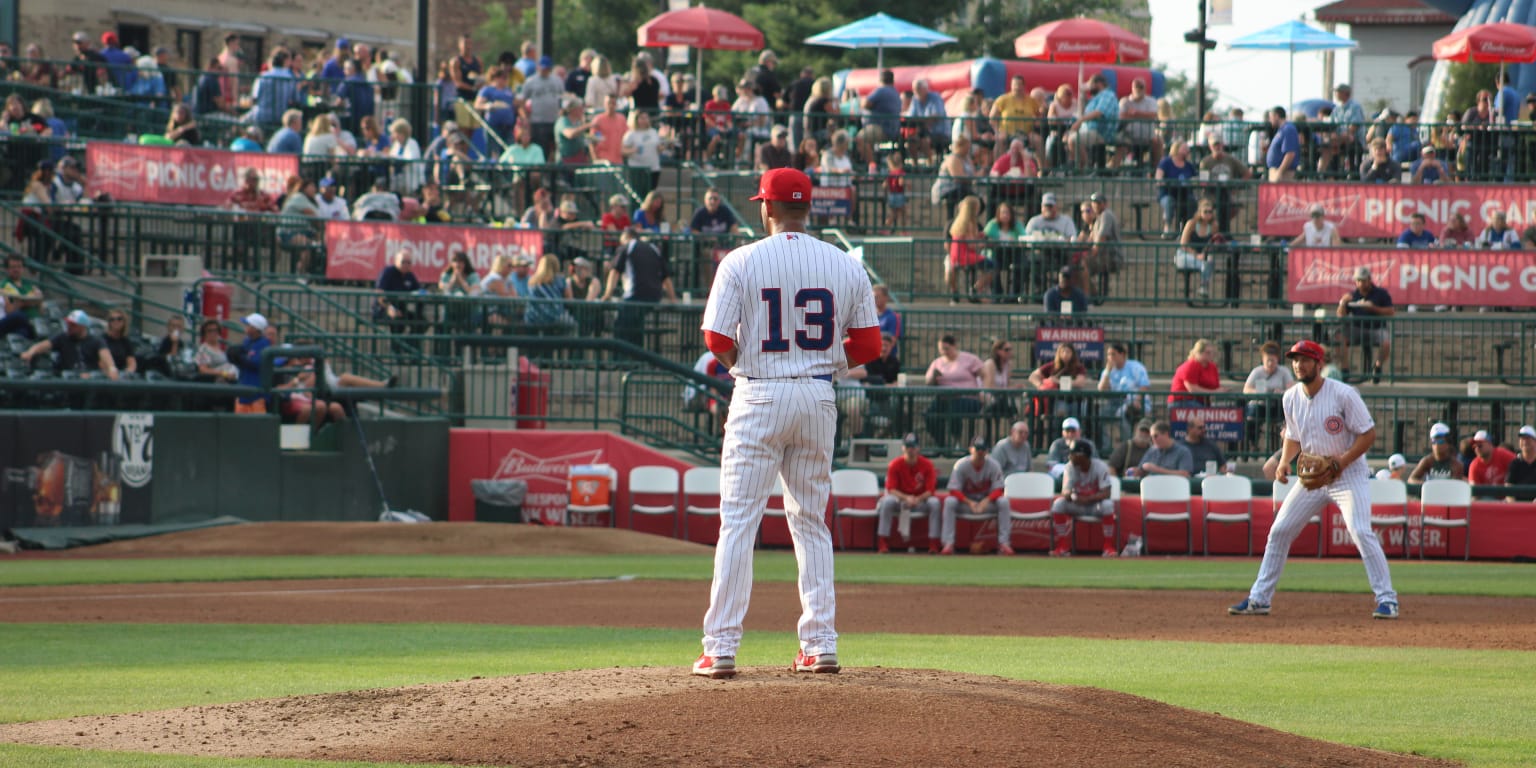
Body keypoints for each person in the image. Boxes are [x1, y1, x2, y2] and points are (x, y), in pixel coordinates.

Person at [693, 167, 880, 680]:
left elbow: (715, 339)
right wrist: (827, 365)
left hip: (758, 392)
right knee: (811, 522)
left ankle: (720, 646)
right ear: (808, 207)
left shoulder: (740, 260)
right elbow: (869, 345)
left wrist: (743, 364)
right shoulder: (844, 263)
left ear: (767, 207)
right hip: (817, 395)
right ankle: (820, 644)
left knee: (739, 522)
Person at [1229, 339, 1399, 620]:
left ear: (1319, 364)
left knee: (1360, 531)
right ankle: (1259, 599)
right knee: (1279, 531)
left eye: (1305, 359)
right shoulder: (1290, 397)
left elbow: (1368, 434)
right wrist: (1284, 462)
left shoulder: (1344, 394)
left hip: (1348, 475)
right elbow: (1293, 437)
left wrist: (1342, 461)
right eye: (1295, 360)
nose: (1299, 364)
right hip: (1312, 476)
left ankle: (1387, 599)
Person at [602, 228, 676, 348]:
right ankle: (637, 355)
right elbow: (666, 278)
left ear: (627, 237)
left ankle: (620, 356)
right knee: (636, 326)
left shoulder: (627, 247)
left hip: (634, 295)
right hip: (654, 298)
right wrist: (673, 300)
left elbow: (615, 271)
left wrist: (607, 294)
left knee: (621, 327)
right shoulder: (653, 248)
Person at [939, 438, 1013, 556]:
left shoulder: (993, 465)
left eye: (983, 449)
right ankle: (948, 543)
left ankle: (1004, 544)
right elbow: (953, 490)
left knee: (1003, 502)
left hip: (986, 504)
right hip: (966, 504)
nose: (980, 452)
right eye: (977, 449)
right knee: (949, 501)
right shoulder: (961, 465)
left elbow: (999, 489)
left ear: (987, 451)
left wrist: (987, 500)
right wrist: (969, 502)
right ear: (971, 449)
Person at [1048, 442, 1117, 558]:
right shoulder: (1070, 466)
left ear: (1083, 456)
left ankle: (1108, 547)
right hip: (1077, 504)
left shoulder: (1100, 466)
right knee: (1058, 504)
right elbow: (1065, 491)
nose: (1070, 457)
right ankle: (1062, 546)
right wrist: (1070, 495)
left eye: (1073, 454)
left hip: (1095, 505)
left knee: (1108, 505)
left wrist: (1088, 498)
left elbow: (1107, 493)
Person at [875, 433, 941, 553]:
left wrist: (917, 499)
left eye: (913, 446)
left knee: (935, 503)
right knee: (887, 502)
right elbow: (891, 489)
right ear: (903, 448)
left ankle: (933, 544)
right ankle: (883, 542)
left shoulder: (927, 464)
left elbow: (930, 490)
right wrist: (906, 498)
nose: (910, 449)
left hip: (920, 501)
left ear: (918, 448)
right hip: (901, 501)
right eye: (908, 446)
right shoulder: (895, 464)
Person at [1334, 266, 1393, 383]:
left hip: (1377, 328)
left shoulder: (1381, 293)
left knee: (1386, 342)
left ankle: (1377, 367)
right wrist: (1343, 302)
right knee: (1339, 337)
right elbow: (1341, 316)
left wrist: (1373, 308)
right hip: (1357, 328)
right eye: (1358, 280)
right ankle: (1345, 370)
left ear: (1369, 280)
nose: (1360, 283)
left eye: (1363, 280)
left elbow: (1391, 312)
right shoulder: (1352, 295)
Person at [923, 334, 983, 448]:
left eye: (946, 349)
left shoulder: (970, 359)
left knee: (954, 409)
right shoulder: (937, 363)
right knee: (929, 414)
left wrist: (983, 393)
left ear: (954, 346)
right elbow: (928, 383)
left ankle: (957, 441)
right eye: (941, 349)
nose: (944, 352)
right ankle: (940, 444)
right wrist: (934, 376)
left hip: (968, 399)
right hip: (944, 399)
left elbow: (984, 375)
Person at [20, 309, 113, 378]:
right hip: (67, 378)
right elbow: (43, 345)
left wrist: (111, 368)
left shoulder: (96, 341)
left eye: (73, 325)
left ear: (82, 327)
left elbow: (106, 356)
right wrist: (30, 352)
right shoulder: (63, 337)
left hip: (89, 379)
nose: (69, 327)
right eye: (68, 324)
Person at [1098, 341, 1151, 448]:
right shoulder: (1108, 370)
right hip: (1115, 402)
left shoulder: (1135, 367)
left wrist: (1137, 400)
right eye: (1108, 354)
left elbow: (1144, 385)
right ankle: (1106, 446)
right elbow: (1101, 389)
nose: (1110, 357)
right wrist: (1108, 371)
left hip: (1135, 402)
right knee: (1099, 416)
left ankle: (1128, 446)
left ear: (1122, 354)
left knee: (1120, 414)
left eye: (1113, 354)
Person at [1174, 198, 1225, 298]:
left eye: (1210, 212)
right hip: (1185, 255)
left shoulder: (1213, 226)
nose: (1208, 214)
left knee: (1208, 261)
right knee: (1205, 263)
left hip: (1202, 256)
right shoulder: (1191, 224)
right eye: (1205, 211)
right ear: (1200, 212)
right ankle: (1203, 286)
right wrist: (1196, 255)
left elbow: (1213, 242)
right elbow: (1183, 244)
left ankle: (1203, 286)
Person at [946, 195, 992, 303]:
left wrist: (979, 236)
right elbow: (971, 245)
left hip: (956, 255)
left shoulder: (958, 222)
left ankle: (969, 291)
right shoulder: (969, 223)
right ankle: (975, 288)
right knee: (993, 266)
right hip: (964, 256)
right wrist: (985, 244)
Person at [1169, 338, 1222, 409]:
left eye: (1212, 352)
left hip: (1201, 402)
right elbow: (1192, 389)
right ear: (1198, 353)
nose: (1211, 355)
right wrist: (1214, 392)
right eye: (1207, 353)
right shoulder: (1191, 365)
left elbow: (1215, 386)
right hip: (1182, 401)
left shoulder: (1212, 367)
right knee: (1202, 412)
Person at [1, 255, 44, 339]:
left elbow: (41, 310)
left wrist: (39, 301)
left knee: (23, 331)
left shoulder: (29, 284)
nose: (16, 269)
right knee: (20, 317)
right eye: (13, 267)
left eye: (19, 267)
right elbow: (8, 312)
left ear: (23, 268)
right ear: (7, 269)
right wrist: (24, 303)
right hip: (17, 321)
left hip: (33, 320)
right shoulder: (4, 286)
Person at [373, 249, 422, 324]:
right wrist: (389, 307)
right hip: (383, 309)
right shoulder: (388, 272)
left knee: (420, 321)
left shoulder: (410, 275)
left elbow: (418, 291)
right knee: (397, 319)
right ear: (396, 261)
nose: (406, 265)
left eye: (409, 262)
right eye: (403, 262)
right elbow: (379, 292)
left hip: (402, 309)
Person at [1265, 106, 1300, 182]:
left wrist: (1280, 171)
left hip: (1284, 173)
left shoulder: (1288, 129)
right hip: (1276, 171)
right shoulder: (1282, 129)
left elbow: (1290, 153)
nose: (1270, 120)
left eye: (1271, 117)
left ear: (1276, 116)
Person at [1505, 425, 1536, 501]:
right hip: (1517, 504)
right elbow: (1509, 487)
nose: (1524, 441)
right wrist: (1514, 505)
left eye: (1528, 438)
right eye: (1522, 439)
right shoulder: (1515, 463)